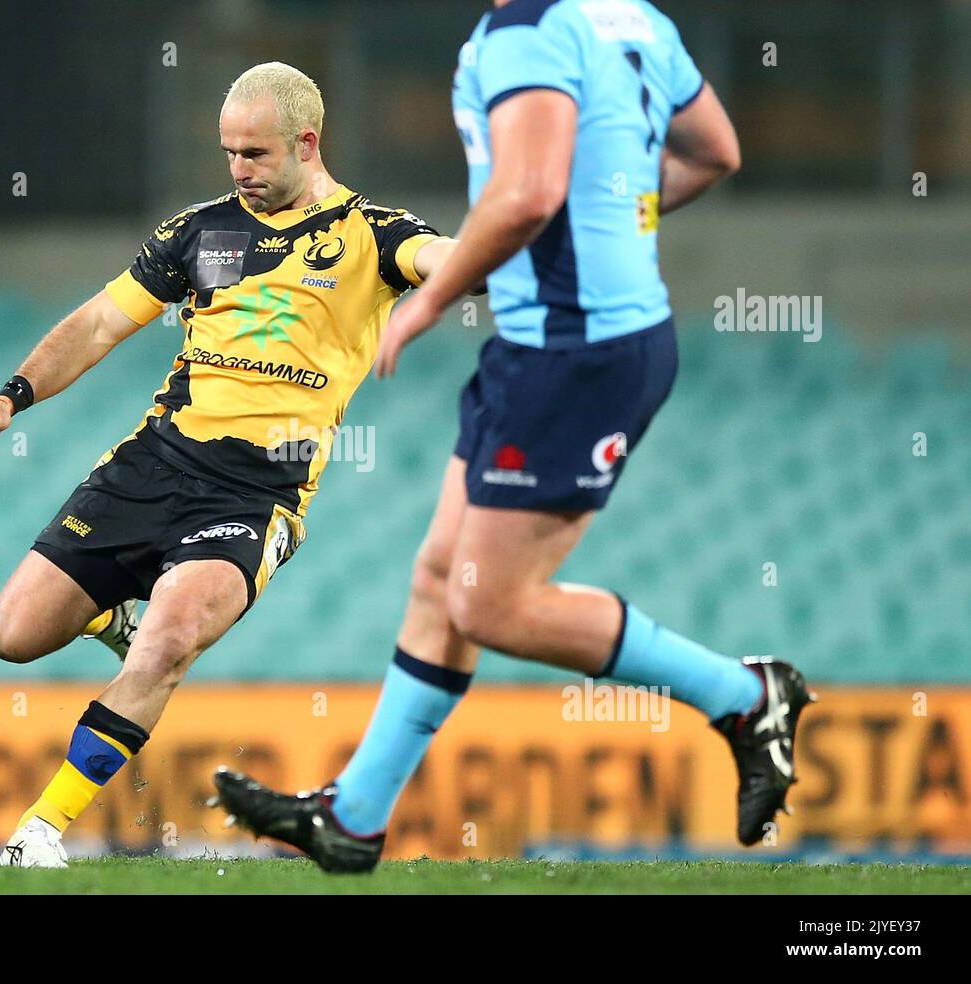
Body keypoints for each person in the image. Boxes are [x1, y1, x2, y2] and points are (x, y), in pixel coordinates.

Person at [213, 0, 814, 872]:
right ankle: (354, 820)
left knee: (488, 603)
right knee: (438, 576)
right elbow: (715, 151)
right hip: (552, 344)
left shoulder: (524, 33)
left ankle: (746, 696)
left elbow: (528, 194)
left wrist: (428, 296)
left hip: (576, 353)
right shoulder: (632, 19)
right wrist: (613, 224)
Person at [0, 61, 462, 867]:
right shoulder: (200, 232)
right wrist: (10, 398)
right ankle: (117, 619)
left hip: (255, 495)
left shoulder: (376, 235)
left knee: (170, 644)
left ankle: (38, 832)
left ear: (306, 142)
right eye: (228, 154)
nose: (239, 172)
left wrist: (490, 255)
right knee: (13, 635)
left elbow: (442, 261)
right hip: (152, 463)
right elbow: (102, 323)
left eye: (255, 154)